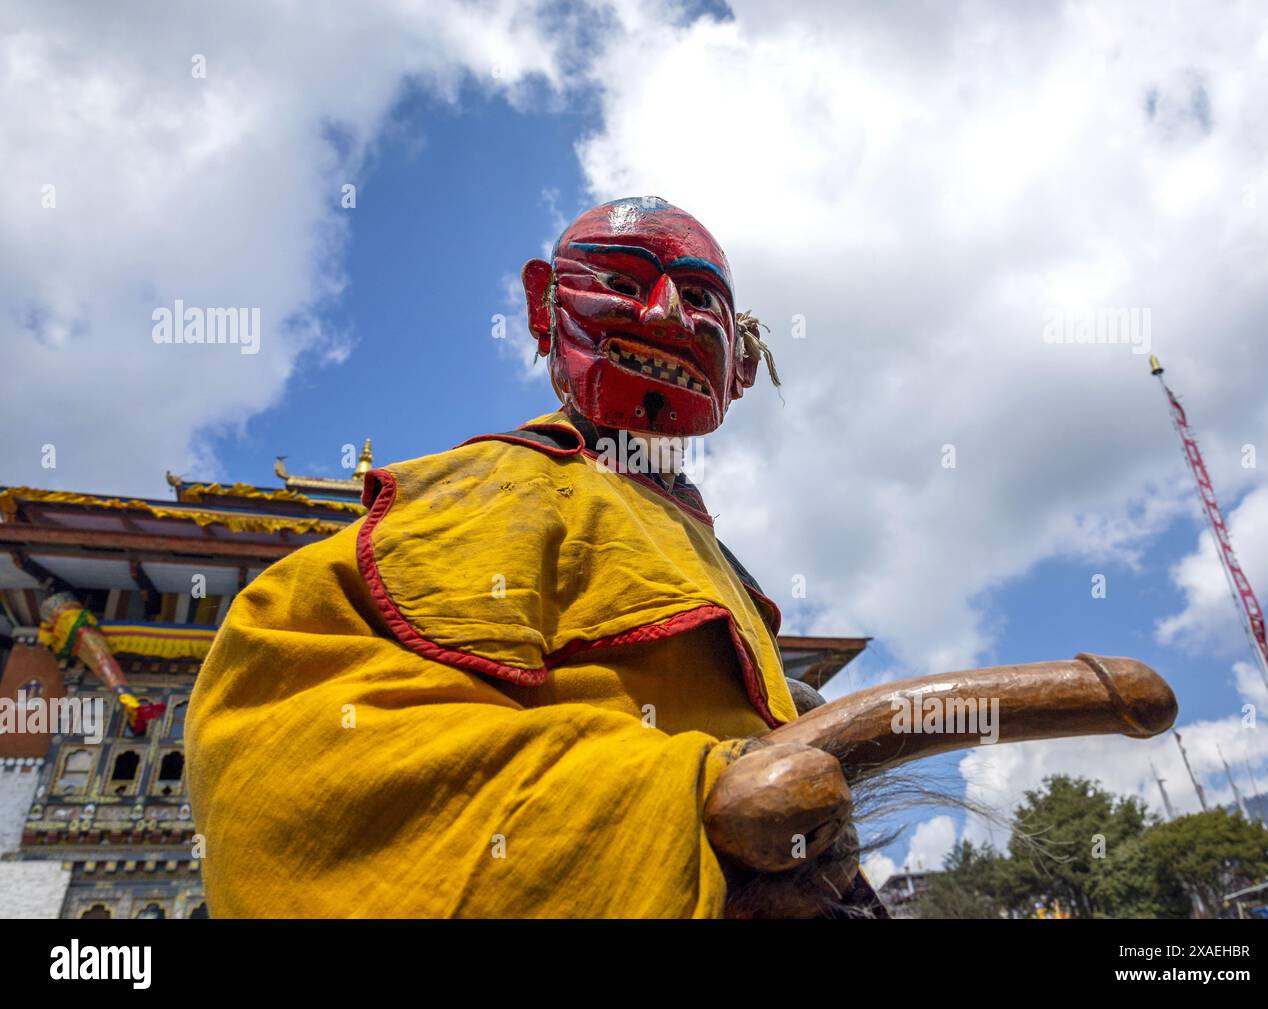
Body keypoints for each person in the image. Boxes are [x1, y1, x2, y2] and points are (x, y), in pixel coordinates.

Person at [186, 196, 866, 917]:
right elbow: (285, 737)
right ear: (545, 312)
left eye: (699, 299)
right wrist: (692, 796)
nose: (667, 316)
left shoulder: (721, 561)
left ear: (742, 368)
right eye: (626, 285)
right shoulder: (501, 485)